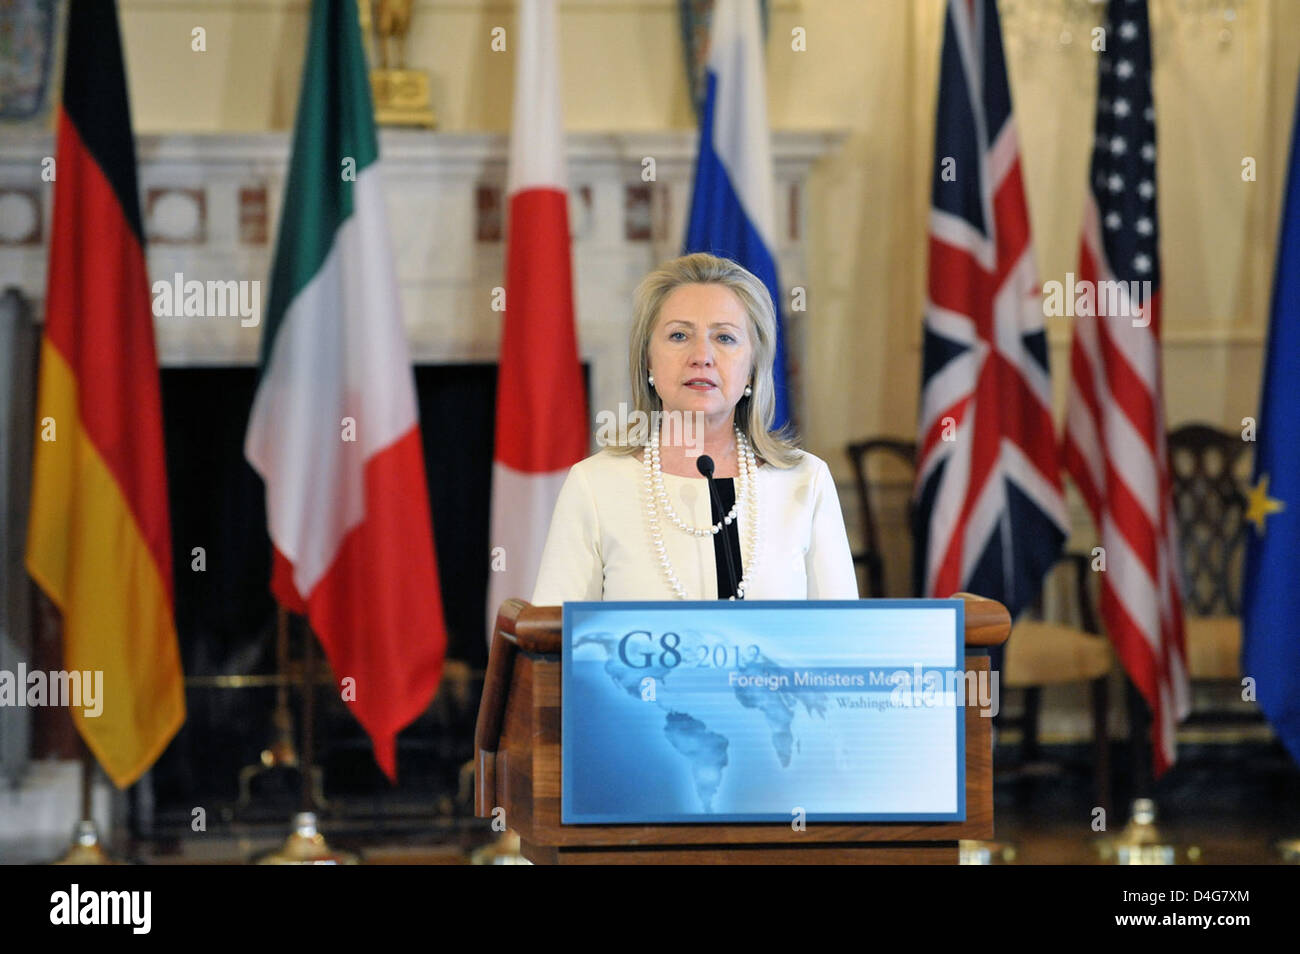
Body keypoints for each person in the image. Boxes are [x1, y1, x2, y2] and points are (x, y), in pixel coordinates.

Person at [530, 252, 859, 603]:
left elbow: (840, 642)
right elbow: (552, 640)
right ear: (647, 360)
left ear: (752, 367)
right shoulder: (595, 485)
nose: (701, 355)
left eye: (725, 338)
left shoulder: (806, 481)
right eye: (678, 336)